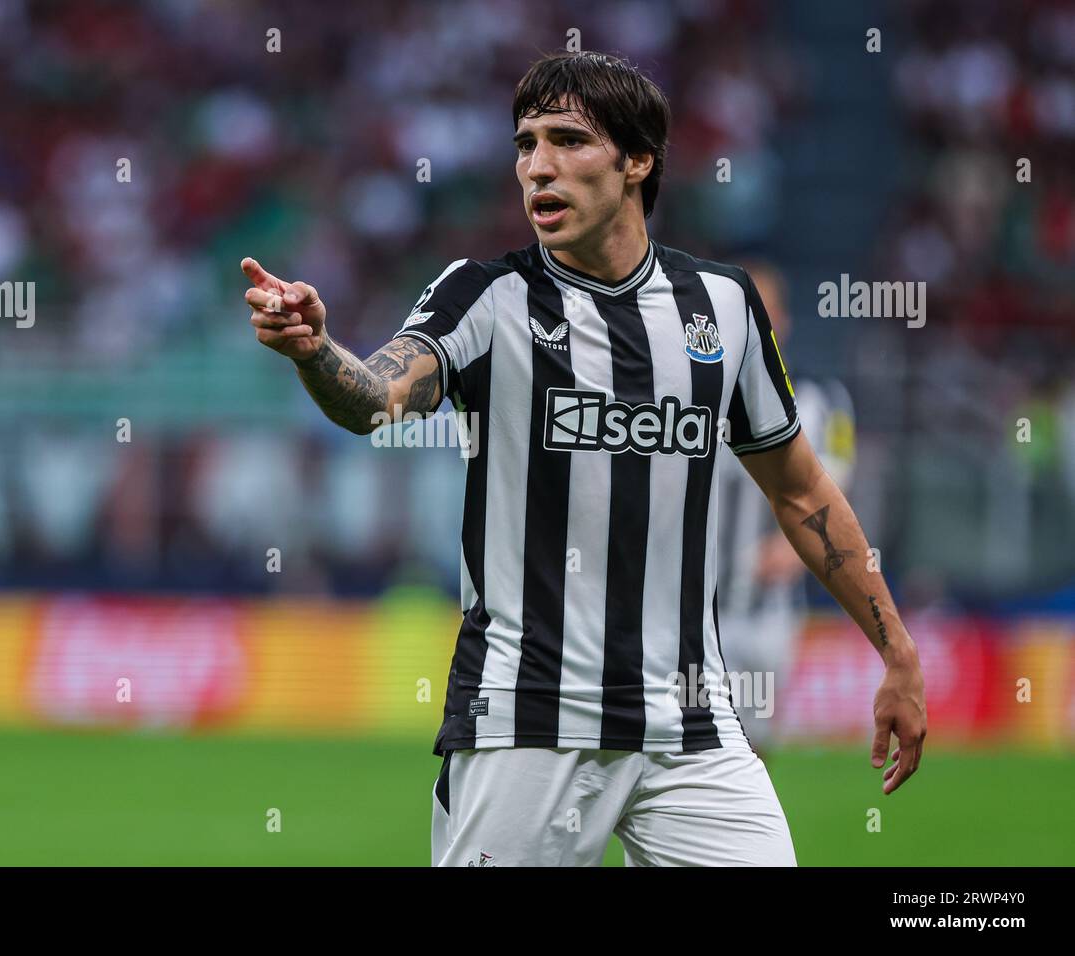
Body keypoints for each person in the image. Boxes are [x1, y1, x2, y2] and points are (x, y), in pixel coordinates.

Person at [241, 51, 926, 867]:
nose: (538, 166)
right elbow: (375, 397)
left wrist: (897, 652)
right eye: (525, 144)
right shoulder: (486, 297)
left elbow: (804, 491)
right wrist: (317, 352)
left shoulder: (725, 306)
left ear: (638, 160)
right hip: (527, 721)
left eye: (568, 140)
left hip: (691, 726)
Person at [716, 262, 858, 763]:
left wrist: (795, 551)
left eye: (766, 311)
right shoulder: (693, 394)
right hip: (699, 609)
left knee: (755, 750)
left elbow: (834, 491)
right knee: (701, 751)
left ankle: (742, 840)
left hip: (771, 611)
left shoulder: (823, 404)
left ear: (784, 320)